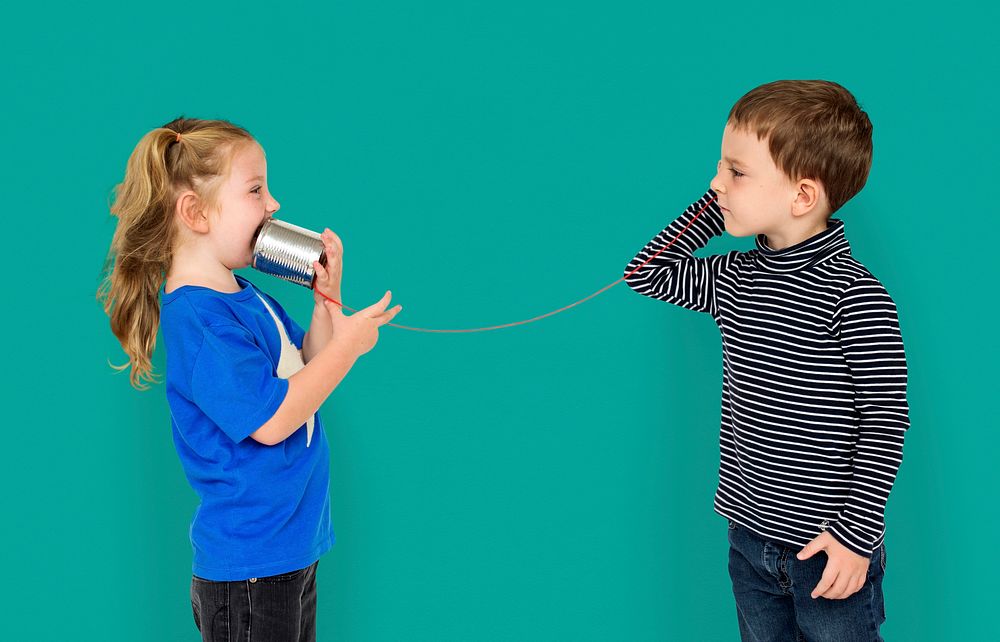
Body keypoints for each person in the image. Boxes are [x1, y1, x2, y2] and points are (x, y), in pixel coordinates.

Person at [623, 80, 909, 641]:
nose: (714, 182)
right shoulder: (734, 277)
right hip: (749, 538)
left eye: (735, 171)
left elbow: (883, 421)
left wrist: (855, 536)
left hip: (828, 548)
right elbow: (646, 271)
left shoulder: (857, 297)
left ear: (802, 196)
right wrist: (719, 205)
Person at [98, 117, 401, 642]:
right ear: (195, 213)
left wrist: (327, 304)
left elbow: (303, 372)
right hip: (249, 571)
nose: (274, 205)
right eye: (256, 190)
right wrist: (350, 347)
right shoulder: (203, 322)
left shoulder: (244, 295)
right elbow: (273, 419)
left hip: (289, 550)